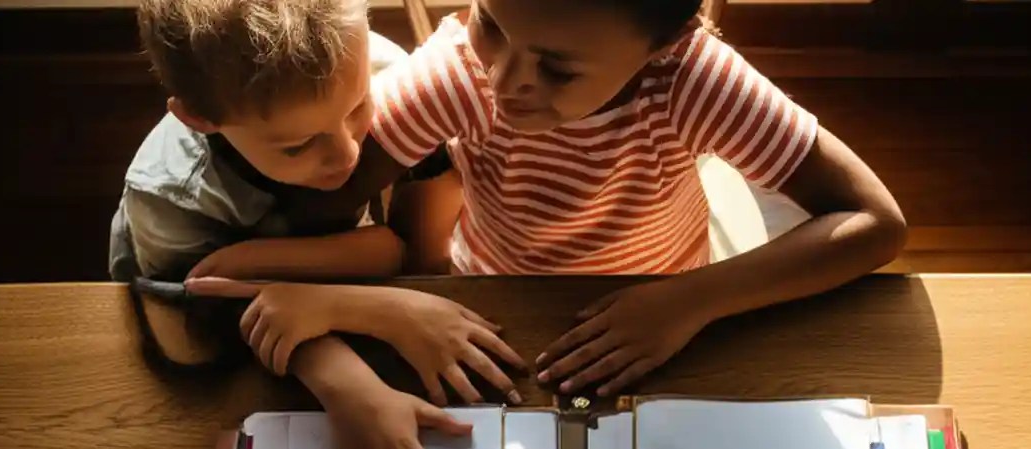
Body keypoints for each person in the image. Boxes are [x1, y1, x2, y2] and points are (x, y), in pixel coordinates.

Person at [327, 0, 907, 398]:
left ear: (668, 44)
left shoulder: (691, 81)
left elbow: (874, 220)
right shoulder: (459, 72)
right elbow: (315, 198)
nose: (502, 82)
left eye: (557, 68)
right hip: (496, 300)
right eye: (490, 22)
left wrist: (689, 301)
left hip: (669, 306)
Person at [113, 0, 523, 449]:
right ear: (199, 119)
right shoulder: (171, 197)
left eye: (358, 110)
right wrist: (348, 384)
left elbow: (409, 251)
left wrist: (270, 267)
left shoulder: (376, 69)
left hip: (320, 301)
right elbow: (201, 317)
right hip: (226, 353)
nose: (347, 154)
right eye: (298, 145)